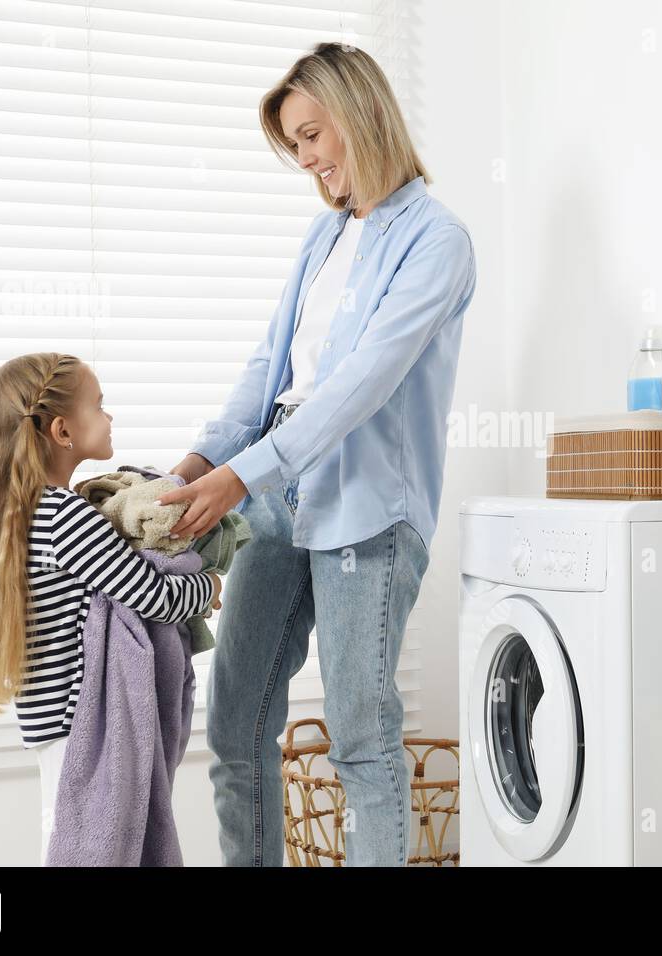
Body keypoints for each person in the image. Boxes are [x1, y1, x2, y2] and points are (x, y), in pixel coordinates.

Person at [157, 41, 477, 866]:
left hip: (366, 516)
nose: (306, 161)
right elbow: (272, 371)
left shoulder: (438, 241)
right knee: (235, 730)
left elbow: (360, 383)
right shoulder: (325, 236)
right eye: (294, 146)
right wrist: (196, 467)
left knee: (361, 741)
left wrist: (241, 475)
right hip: (276, 501)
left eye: (310, 136)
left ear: (358, 113)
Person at [0, 352, 221, 865]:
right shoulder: (66, 519)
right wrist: (207, 585)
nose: (109, 417)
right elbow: (154, 596)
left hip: (48, 718)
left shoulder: (26, 509)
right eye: (99, 405)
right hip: (80, 720)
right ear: (62, 430)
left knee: (65, 836)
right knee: (79, 844)